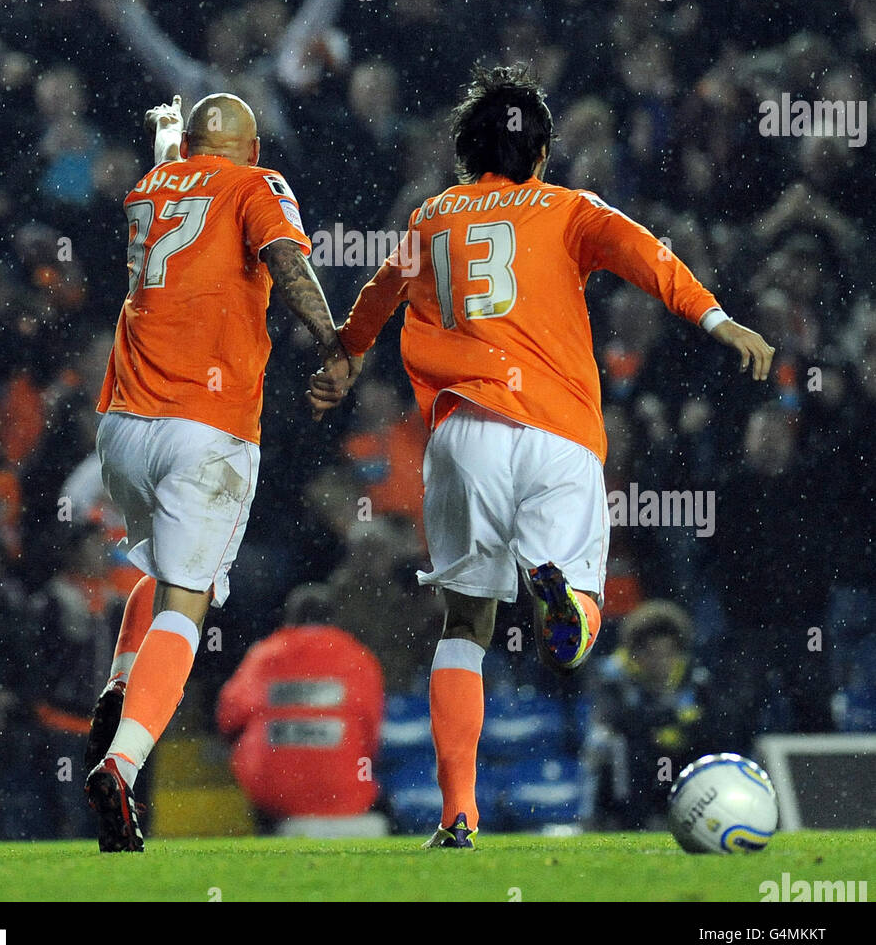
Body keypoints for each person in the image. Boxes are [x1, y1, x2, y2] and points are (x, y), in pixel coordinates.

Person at [310, 63, 774, 849]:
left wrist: (345, 357)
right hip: (557, 431)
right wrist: (719, 321)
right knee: (584, 611)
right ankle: (566, 603)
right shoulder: (568, 209)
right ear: (545, 151)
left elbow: (378, 295)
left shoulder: (430, 219)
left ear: (466, 150)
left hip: (461, 438)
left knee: (464, 625)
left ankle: (458, 811)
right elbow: (651, 261)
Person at [84, 93, 353, 851]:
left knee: (155, 569)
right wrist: (332, 342)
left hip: (121, 425)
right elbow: (286, 260)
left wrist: (168, 138)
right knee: (187, 600)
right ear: (252, 148)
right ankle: (122, 764)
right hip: (203, 427)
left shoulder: (148, 188)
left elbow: (180, 173)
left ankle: (116, 686)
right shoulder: (254, 185)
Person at [216, 584, 384, 830]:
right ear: (333, 617)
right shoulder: (358, 657)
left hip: (275, 793)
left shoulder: (265, 655)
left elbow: (228, 718)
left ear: (289, 617)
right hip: (346, 790)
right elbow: (372, 732)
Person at [583, 601, 718, 831]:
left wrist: (678, 730)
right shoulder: (613, 676)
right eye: (652, 654)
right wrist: (670, 719)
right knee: (612, 744)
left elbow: (712, 722)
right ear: (635, 654)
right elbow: (615, 719)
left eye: (668, 654)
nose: (661, 663)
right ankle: (625, 822)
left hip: (678, 758)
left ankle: (706, 814)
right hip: (632, 764)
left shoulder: (695, 679)